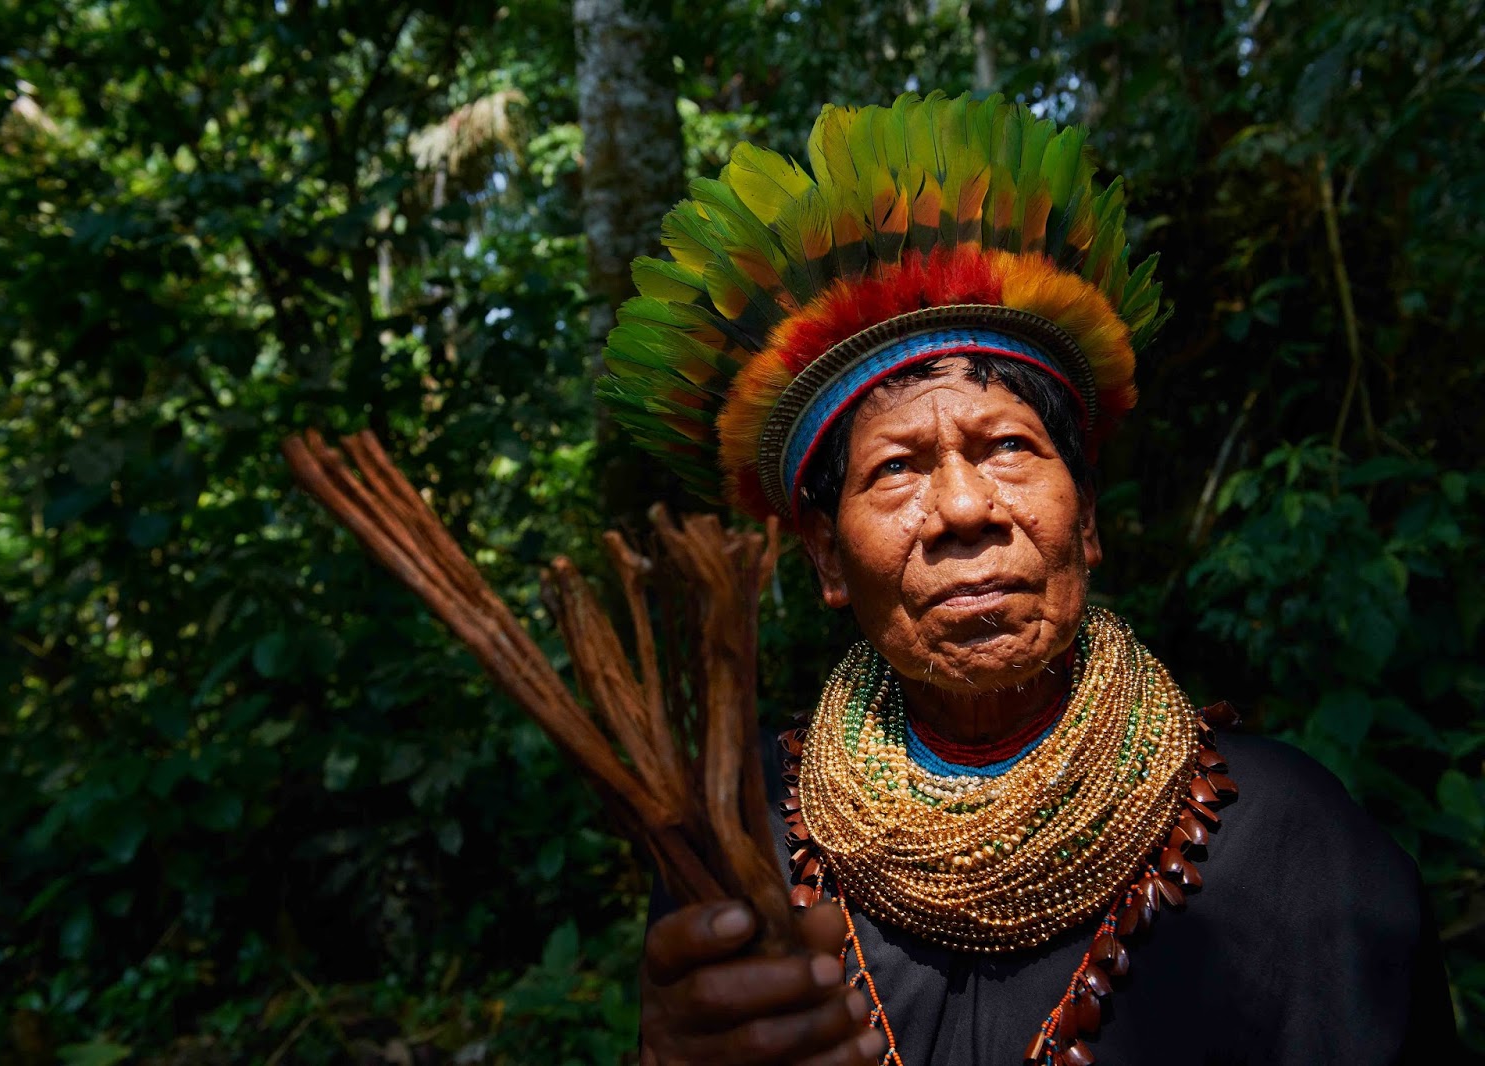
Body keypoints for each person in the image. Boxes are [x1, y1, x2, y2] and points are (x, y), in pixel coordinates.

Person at [599, 92, 1457, 1064]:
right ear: (827, 559)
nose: (965, 509)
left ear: (1085, 521)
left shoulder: (1292, 848)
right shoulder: (741, 833)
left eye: (1007, 444)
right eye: (895, 469)